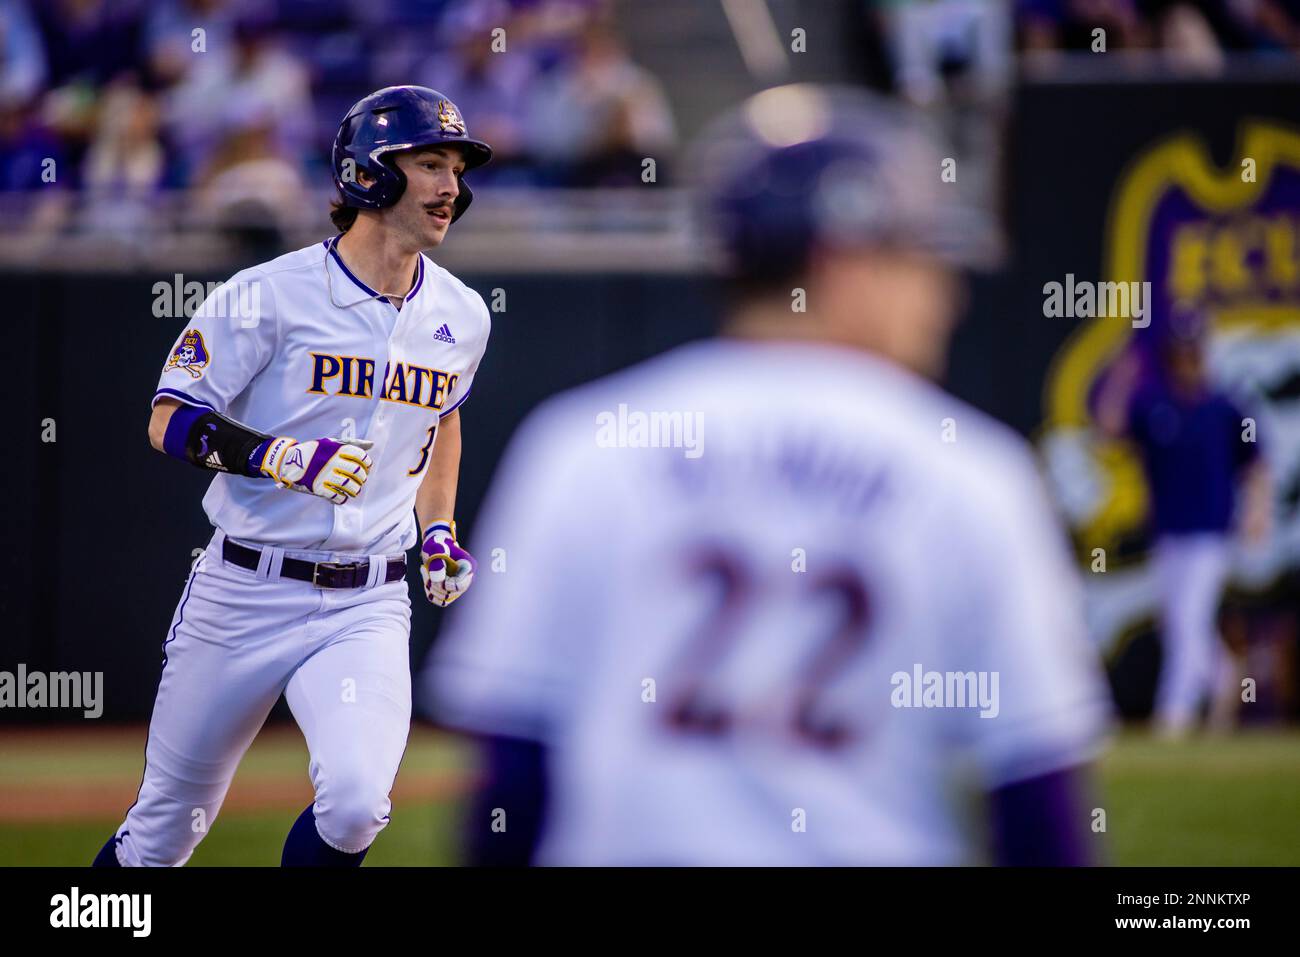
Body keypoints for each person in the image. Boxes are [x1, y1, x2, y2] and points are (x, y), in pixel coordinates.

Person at [424, 84, 1111, 866]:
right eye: (919, 257)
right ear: (843, 260)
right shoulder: (970, 471)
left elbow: (511, 785)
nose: (943, 295)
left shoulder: (584, 446)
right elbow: (1040, 812)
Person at [93, 86, 492, 867]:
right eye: (430, 163)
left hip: (367, 598)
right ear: (371, 174)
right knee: (164, 831)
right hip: (245, 586)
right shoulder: (269, 293)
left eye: (456, 167)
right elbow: (168, 418)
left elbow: (442, 417)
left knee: (354, 804)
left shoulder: (463, 313)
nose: (451, 186)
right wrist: (275, 455)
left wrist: (437, 526)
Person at [1095, 318, 1270, 736]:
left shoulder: (1225, 407)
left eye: (1194, 351)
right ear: (1172, 356)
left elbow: (1256, 463)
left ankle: (1173, 719)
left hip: (1211, 532)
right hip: (1168, 531)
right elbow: (1108, 430)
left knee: (1188, 621)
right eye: (1182, 352)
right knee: (1178, 623)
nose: (1189, 360)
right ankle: (1225, 677)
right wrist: (1120, 378)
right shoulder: (1156, 404)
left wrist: (1257, 512)